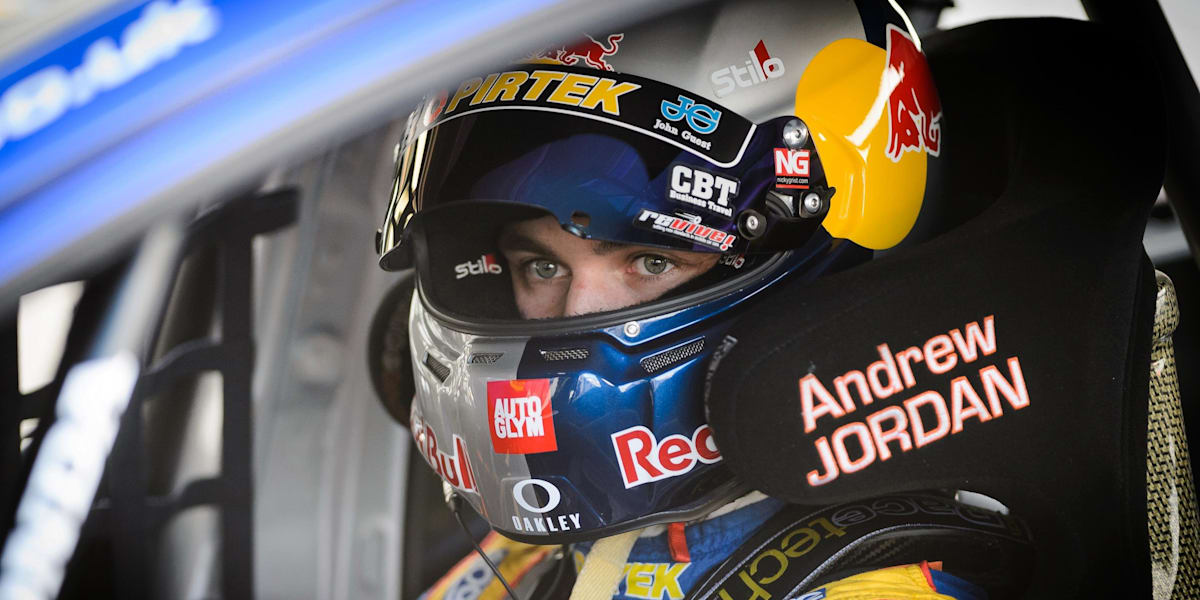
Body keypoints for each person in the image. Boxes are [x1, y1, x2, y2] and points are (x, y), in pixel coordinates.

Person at [373, 1, 991, 597]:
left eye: (652, 260)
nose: (576, 318)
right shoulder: (528, 554)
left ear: (828, 283)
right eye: (541, 265)